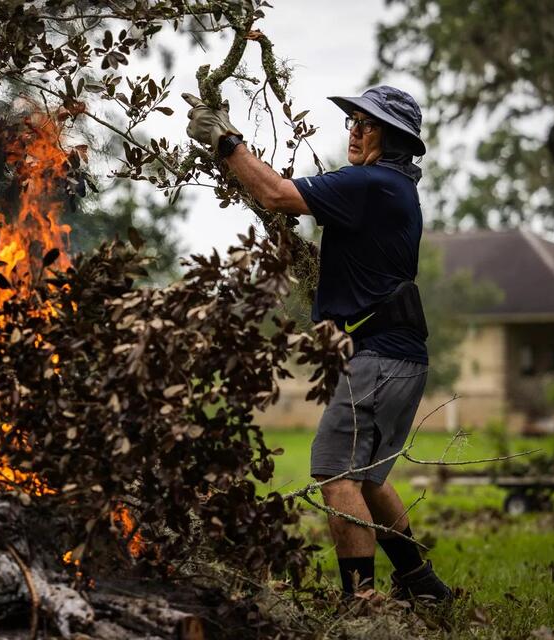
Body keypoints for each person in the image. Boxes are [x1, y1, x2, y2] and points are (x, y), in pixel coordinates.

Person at [183, 86, 453, 603]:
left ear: (393, 138)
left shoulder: (373, 183)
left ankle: (361, 604)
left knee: (335, 473)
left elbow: (276, 195)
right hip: (398, 356)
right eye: (353, 121)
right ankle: (422, 584)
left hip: (381, 357)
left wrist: (226, 140)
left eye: (366, 124)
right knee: (368, 478)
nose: (354, 131)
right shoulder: (392, 188)